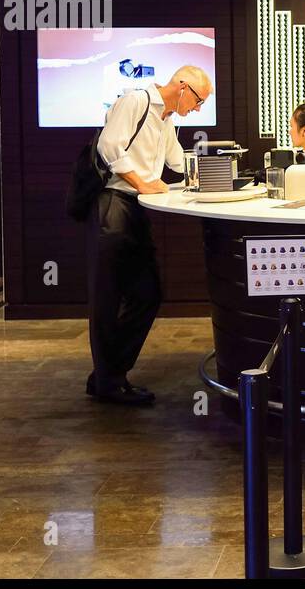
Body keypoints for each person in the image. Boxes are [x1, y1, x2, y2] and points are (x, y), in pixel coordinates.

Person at [86, 65, 212, 405]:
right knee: (107, 299)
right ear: (183, 87)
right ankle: (109, 382)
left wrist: (213, 173)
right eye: (199, 100)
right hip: (113, 206)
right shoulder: (136, 101)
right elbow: (109, 147)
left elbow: (175, 160)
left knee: (148, 293)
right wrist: (143, 183)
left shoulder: (167, 120)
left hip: (136, 210)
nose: (198, 109)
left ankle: (107, 373)